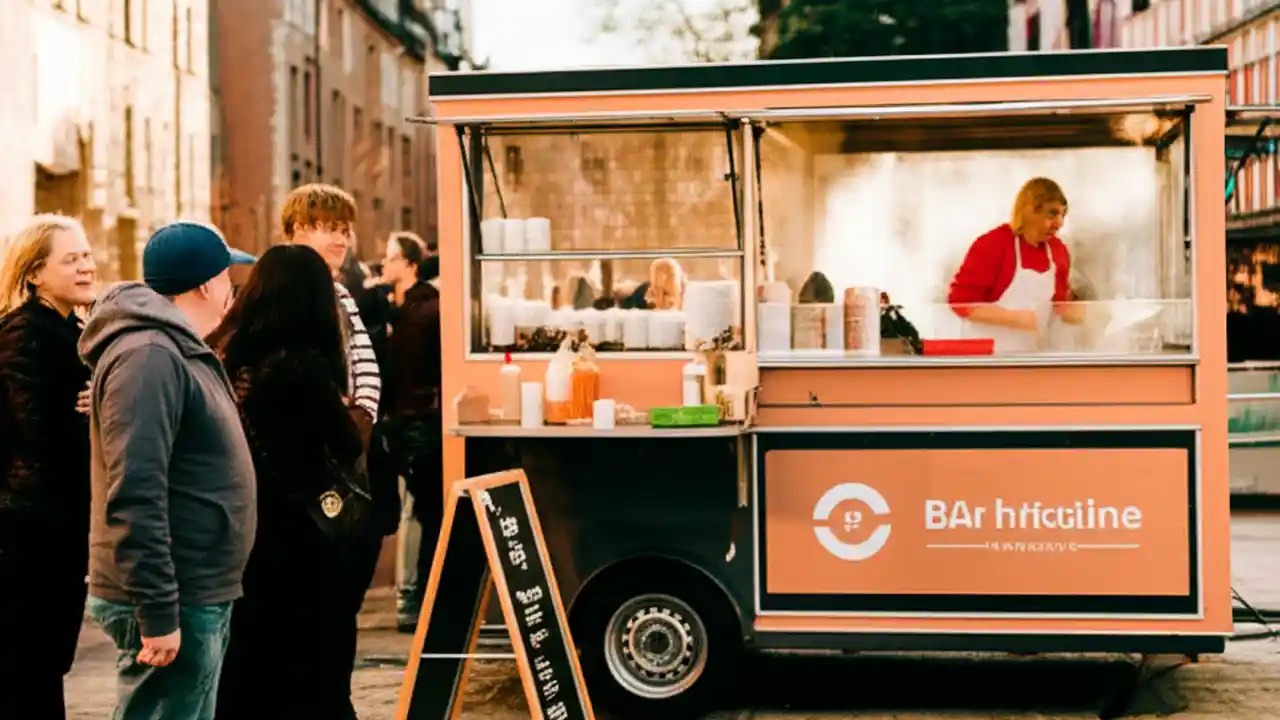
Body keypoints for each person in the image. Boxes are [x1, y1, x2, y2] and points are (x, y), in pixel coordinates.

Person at [78, 221, 257, 720]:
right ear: (204, 285)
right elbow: (136, 488)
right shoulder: (150, 356)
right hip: (174, 593)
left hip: (194, 587)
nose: (231, 290)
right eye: (226, 276)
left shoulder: (173, 347)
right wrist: (157, 610)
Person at [207, 246, 374, 719]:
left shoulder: (225, 360)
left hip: (244, 536)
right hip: (303, 541)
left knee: (250, 672)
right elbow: (345, 445)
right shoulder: (302, 368)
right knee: (313, 672)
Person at [0, 215, 97, 719]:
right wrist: (89, 415)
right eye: (71, 259)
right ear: (35, 272)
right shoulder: (25, 333)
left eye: (87, 256)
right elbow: (39, 431)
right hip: (29, 527)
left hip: (54, 522)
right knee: (30, 663)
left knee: (44, 662)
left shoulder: (69, 328)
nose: (86, 267)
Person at [378, 232, 443, 631]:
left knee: (416, 510)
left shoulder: (422, 312)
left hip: (415, 420)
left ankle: (412, 596)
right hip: (406, 420)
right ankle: (412, 595)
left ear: (409, 265)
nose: (383, 265)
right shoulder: (398, 311)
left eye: (390, 258)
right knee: (412, 510)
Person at [947, 177, 1084, 354]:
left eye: (1062, 215)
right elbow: (960, 303)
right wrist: (1017, 319)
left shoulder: (1058, 250)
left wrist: (1081, 314)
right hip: (986, 359)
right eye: (1052, 214)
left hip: (1032, 357)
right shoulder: (993, 244)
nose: (1059, 223)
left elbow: (1059, 306)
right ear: (1028, 210)